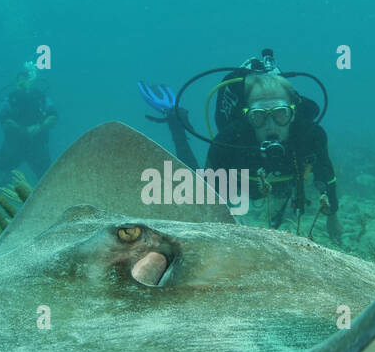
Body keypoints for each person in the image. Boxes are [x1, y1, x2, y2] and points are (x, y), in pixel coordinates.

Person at [141, 52, 343, 244]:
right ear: (247, 116)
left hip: (282, 178)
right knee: (192, 180)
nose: (270, 126)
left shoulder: (311, 135)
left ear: (293, 113)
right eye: (259, 116)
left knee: (282, 193)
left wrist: (332, 215)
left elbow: (326, 174)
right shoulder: (230, 139)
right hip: (240, 178)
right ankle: (175, 117)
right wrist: (226, 219)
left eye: (281, 114)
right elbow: (206, 191)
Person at [0, 63, 57, 178]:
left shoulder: (41, 97)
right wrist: (23, 130)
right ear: (16, 83)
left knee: (47, 178)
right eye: (20, 81)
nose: (23, 84)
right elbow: (5, 121)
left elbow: (53, 117)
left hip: (38, 146)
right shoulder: (10, 99)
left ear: (31, 81)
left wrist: (40, 127)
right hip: (14, 145)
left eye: (26, 81)